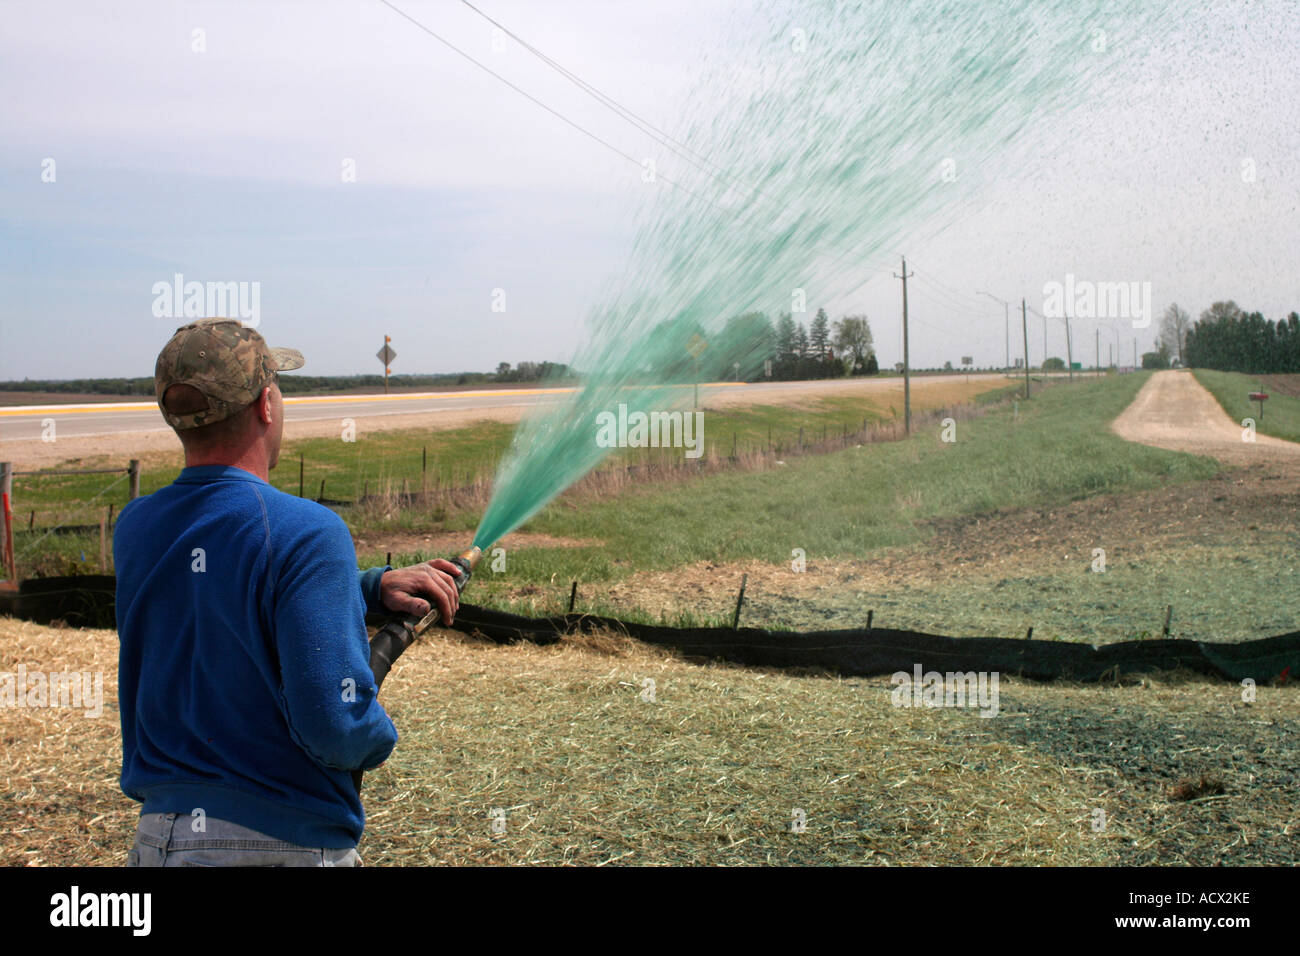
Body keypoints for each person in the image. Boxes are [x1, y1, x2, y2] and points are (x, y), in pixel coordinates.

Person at [114, 317, 460, 866]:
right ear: (266, 405)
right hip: (278, 845)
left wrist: (367, 586)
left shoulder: (136, 528)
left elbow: (216, 588)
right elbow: (333, 725)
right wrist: (378, 734)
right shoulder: (308, 531)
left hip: (161, 840)